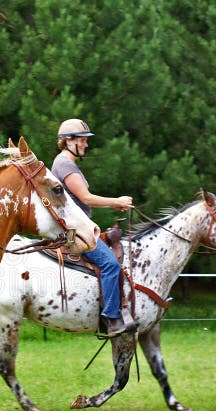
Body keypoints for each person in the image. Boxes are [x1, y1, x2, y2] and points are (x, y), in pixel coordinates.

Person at [51, 118, 137, 337]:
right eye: (82, 140)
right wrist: (116, 201)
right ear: (68, 141)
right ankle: (112, 318)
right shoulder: (64, 165)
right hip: (76, 232)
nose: (86, 145)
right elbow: (86, 198)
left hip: (78, 228)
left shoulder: (65, 164)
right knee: (110, 264)